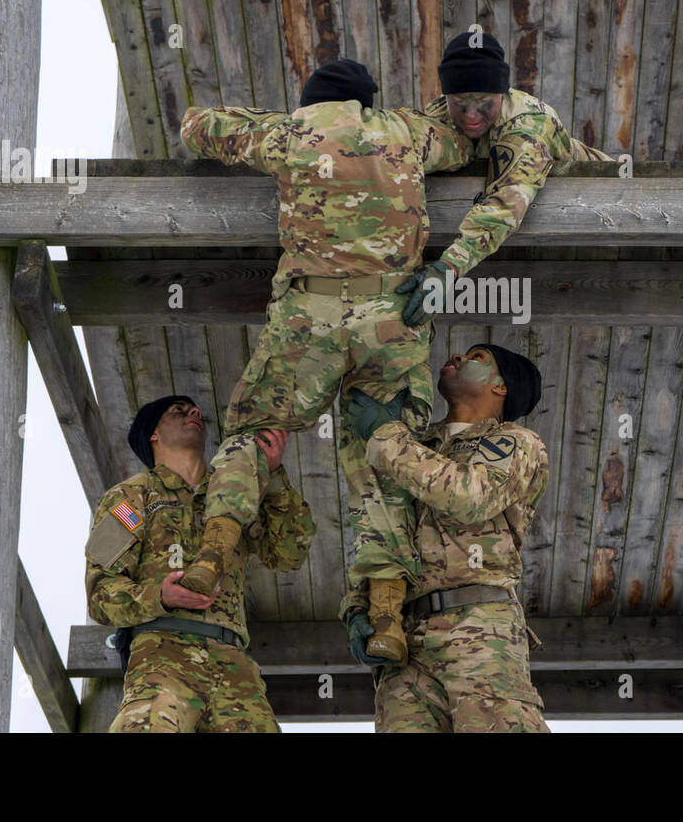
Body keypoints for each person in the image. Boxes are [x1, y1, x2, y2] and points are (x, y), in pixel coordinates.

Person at [176, 59, 474, 662]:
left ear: (312, 100)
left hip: (308, 320)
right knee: (386, 450)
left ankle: (212, 552)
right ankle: (386, 616)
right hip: (392, 322)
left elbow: (197, 127)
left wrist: (264, 120)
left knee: (255, 431)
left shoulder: (287, 134)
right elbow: (464, 145)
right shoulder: (408, 132)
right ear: (367, 101)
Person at [340, 344, 551, 732]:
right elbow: (380, 525)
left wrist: (386, 436)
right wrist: (357, 607)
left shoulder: (515, 441)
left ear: (502, 387)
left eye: (478, 357)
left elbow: (471, 497)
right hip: (403, 641)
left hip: (478, 626)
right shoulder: (413, 445)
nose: (458, 356)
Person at [85, 395, 314, 732]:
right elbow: (101, 595)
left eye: (195, 410)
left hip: (234, 665)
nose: (194, 412)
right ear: (153, 434)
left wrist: (274, 474)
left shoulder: (236, 494)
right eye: (178, 411)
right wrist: (160, 597)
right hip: (162, 655)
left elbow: (289, 554)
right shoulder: (132, 497)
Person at [396, 30, 616, 326]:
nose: (471, 115)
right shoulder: (439, 113)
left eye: (484, 103)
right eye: (460, 103)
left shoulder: (527, 124)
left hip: (606, 192)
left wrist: (448, 267)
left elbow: (504, 206)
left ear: (502, 93)